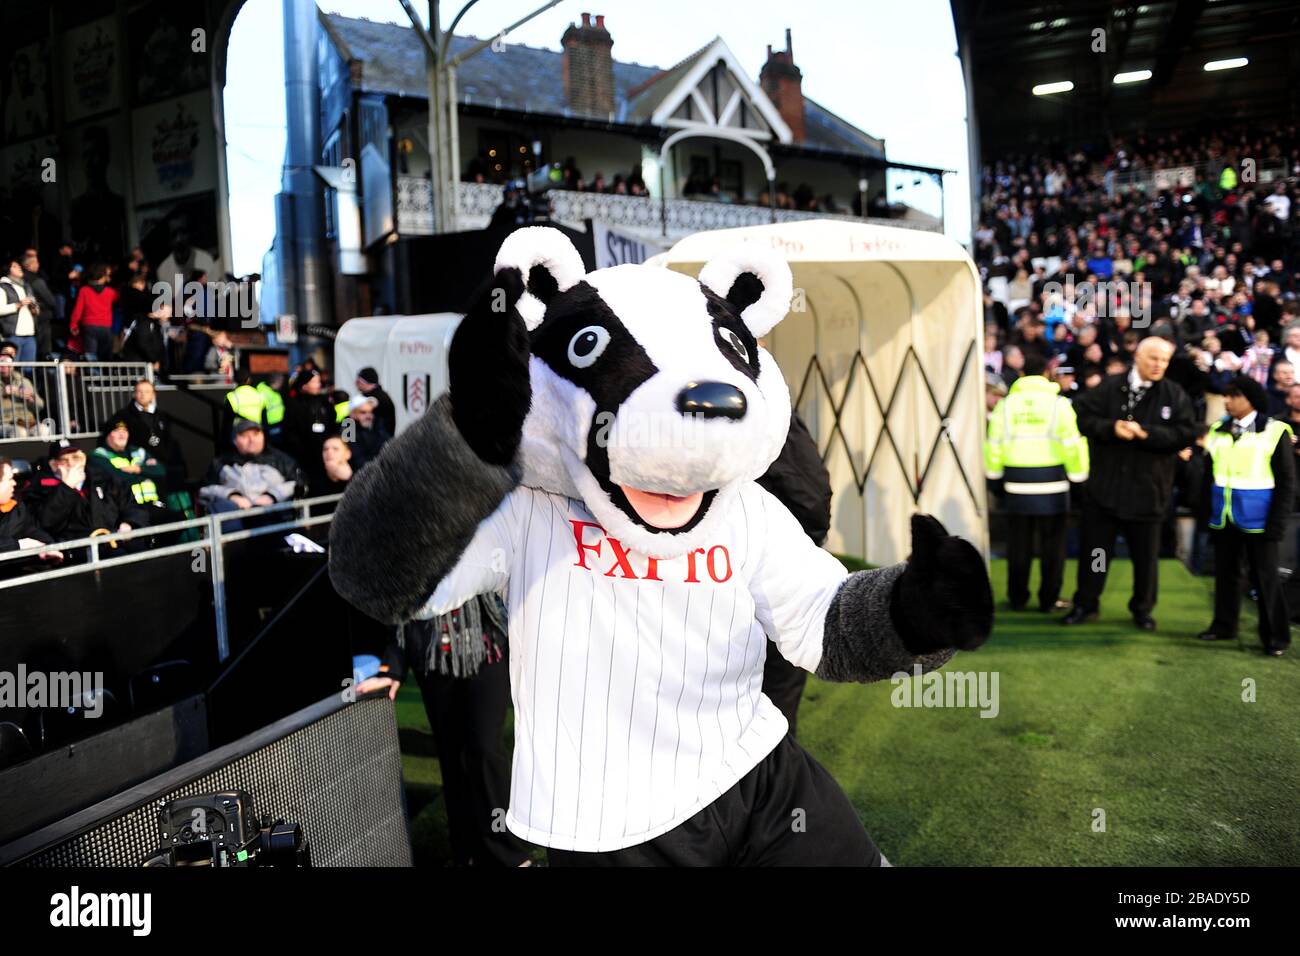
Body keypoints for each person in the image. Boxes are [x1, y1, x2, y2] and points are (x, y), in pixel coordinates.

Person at [359, 598, 536, 867]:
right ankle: (465, 850)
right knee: (452, 758)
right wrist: (392, 667)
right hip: (433, 658)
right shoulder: (410, 557)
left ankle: (507, 852)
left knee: (486, 750)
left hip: (488, 649)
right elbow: (399, 606)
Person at [1064, 337, 1197, 630]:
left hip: (1149, 493)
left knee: (1145, 560)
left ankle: (1142, 609)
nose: (1159, 365)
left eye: (1164, 360)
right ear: (1137, 357)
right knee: (1096, 555)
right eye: (1153, 358)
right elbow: (1082, 416)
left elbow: (1185, 433)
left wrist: (1146, 434)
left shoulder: (1174, 395)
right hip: (1104, 492)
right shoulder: (1110, 387)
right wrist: (1111, 428)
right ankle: (1086, 603)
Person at [985, 351, 1089, 612]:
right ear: (1047, 374)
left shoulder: (1005, 406)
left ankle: (1017, 598)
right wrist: (1078, 479)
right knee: (1053, 548)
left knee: (1018, 545)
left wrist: (995, 480)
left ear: (1021, 375)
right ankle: (1048, 599)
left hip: (1016, 484)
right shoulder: (1059, 405)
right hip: (1053, 485)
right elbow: (1072, 446)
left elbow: (993, 446)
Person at [1197, 376, 1293, 657]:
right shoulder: (1217, 429)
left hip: (1260, 521)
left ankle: (1275, 637)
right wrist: (1207, 514)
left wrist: (1277, 524)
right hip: (1224, 517)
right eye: (1226, 395)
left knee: (1265, 578)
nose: (1226, 401)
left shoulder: (1275, 431)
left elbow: (1287, 482)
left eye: (1232, 395)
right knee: (1225, 576)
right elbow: (1208, 477)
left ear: (1249, 398)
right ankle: (1224, 626)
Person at [755, 411, 832, 738]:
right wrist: (802, 545)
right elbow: (810, 495)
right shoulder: (760, 405)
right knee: (776, 690)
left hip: (678, 578)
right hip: (765, 575)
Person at [27, 438, 149, 546]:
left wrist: (129, 524)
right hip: (74, 552)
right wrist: (67, 487)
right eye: (64, 460)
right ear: (53, 465)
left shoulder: (104, 479)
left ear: (84, 459)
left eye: (75, 457)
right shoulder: (40, 487)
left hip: (115, 543)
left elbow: (132, 506)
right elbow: (46, 522)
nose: (71, 464)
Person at [198, 419, 298, 530]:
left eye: (256, 434)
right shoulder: (222, 463)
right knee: (222, 506)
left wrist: (272, 495)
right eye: (244, 436)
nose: (251, 440)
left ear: (263, 436)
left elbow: (298, 483)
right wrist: (232, 496)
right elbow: (205, 490)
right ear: (235, 440)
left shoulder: (281, 459)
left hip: (272, 516)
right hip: (237, 517)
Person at [88, 419, 167, 515]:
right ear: (107, 435)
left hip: (153, 505)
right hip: (125, 510)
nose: (122, 435)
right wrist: (147, 474)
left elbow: (161, 471)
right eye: (116, 431)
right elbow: (118, 478)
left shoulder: (139, 451)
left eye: (125, 431)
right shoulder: (98, 455)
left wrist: (138, 469)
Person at [0, 457, 61, 563]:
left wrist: (48, 547)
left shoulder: (15, 507)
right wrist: (19, 545)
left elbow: (31, 530)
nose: (14, 483)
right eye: (10, 479)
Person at [69, 263, 118, 360]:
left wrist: (73, 324)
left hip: (89, 326)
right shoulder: (111, 292)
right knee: (105, 357)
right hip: (106, 327)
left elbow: (78, 310)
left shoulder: (84, 290)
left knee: (91, 356)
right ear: (103, 276)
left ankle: (93, 374)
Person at [0, 340, 46, 437]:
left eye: (8, 362)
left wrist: (31, 399)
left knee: (44, 430)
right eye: (1, 362)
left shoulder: (24, 381)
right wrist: (3, 392)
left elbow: (40, 406)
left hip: (28, 422)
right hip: (5, 423)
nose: (4, 366)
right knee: (20, 432)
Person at [0, 258, 38, 362]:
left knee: (29, 370)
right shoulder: (3, 286)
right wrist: (18, 304)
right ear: (8, 270)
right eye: (15, 266)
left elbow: (35, 309)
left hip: (30, 334)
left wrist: (35, 310)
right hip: (13, 335)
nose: (19, 268)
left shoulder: (26, 286)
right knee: (12, 368)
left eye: (19, 266)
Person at [344, 394, 391, 471]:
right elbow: (356, 460)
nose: (368, 416)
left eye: (370, 412)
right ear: (352, 414)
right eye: (363, 412)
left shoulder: (377, 424)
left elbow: (389, 443)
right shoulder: (348, 429)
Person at [355, 367, 396, 436]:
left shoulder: (380, 399)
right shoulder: (366, 397)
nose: (356, 384)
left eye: (359, 381)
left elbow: (383, 427)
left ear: (367, 382)